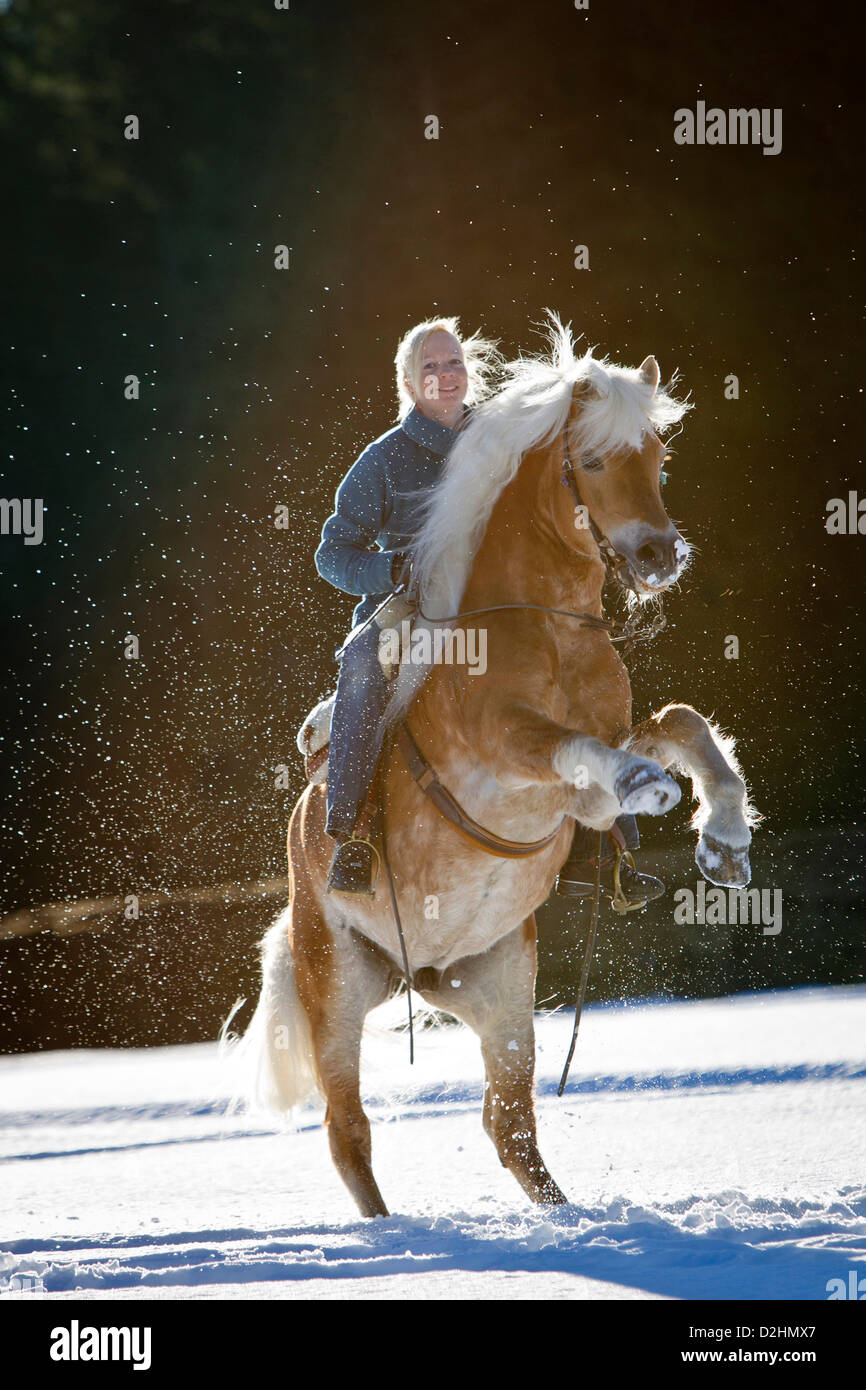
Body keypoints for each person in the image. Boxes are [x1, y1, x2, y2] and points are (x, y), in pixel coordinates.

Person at [314, 317, 665, 911]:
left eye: (454, 364)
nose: (446, 376)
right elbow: (332, 555)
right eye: (431, 367)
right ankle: (349, 832)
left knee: (588, 670)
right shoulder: (383, 461)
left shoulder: (505, 438)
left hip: (504, 611)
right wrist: (392, 569)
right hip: (414, 611)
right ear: (407, 382)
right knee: (362, 667)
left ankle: (619, 850)